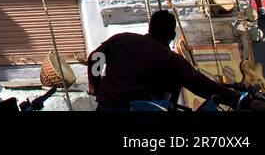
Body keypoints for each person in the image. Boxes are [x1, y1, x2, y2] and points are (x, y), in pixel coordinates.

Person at [88, 10, 245, 110]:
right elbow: (201, 84)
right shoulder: (170, 60)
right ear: (172, 36)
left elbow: (95, 58)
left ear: (150, 28)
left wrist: (96, 86)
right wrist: (239, 100)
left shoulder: (121, 39)